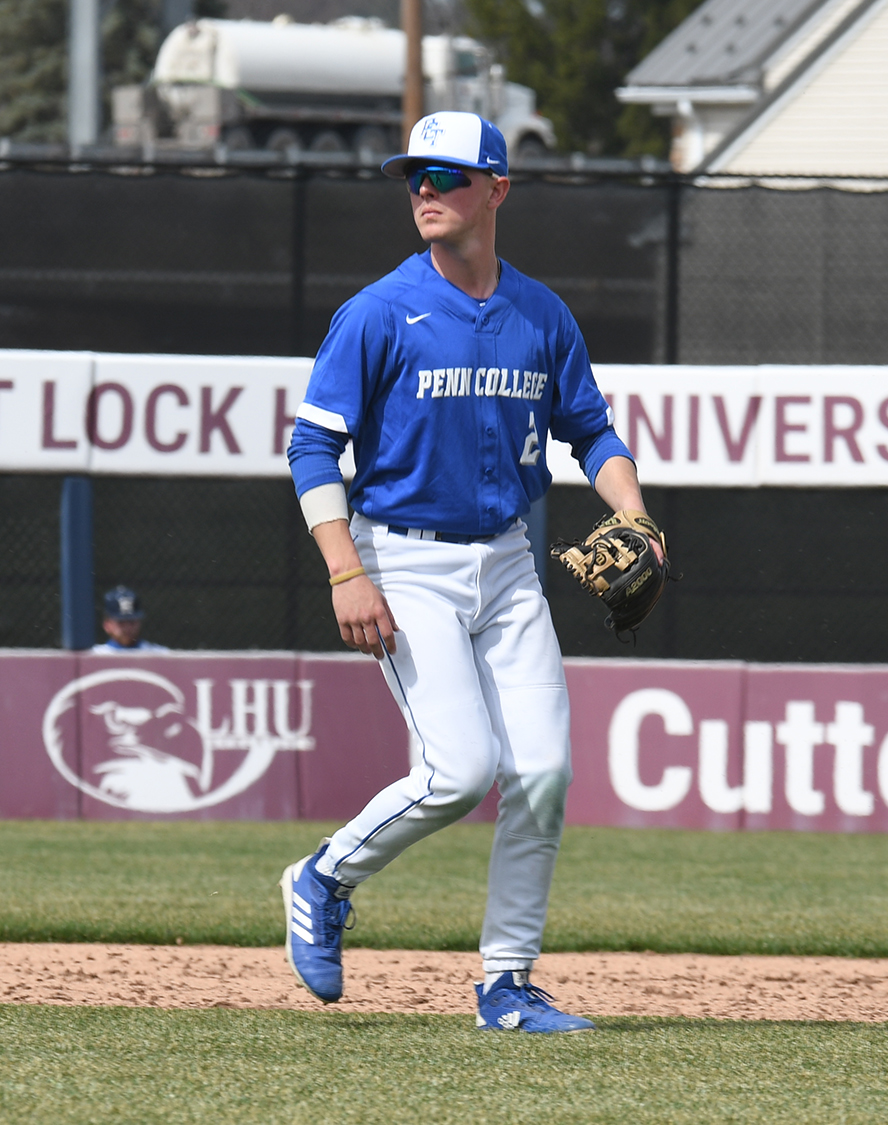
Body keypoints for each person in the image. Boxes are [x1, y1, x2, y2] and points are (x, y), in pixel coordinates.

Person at [279, 111, 659, 1033]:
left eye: (446, 175)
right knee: (459, 769)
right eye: (415, 175)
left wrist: (635, 513)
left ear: (496, 189)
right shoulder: (378, 312)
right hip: (402, 559)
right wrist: (344, 571)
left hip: (508, 560)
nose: (425, 190)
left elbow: (592, 432)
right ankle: (323, 875)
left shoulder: (541, 313)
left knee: (544, 772)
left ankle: (507, 985)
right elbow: (311, 448)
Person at [93, 586, 169, 654]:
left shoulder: (159, 655)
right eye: (121, 622)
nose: (127, 627)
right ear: (107, 625)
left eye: (131, 622)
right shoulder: (94, 656)